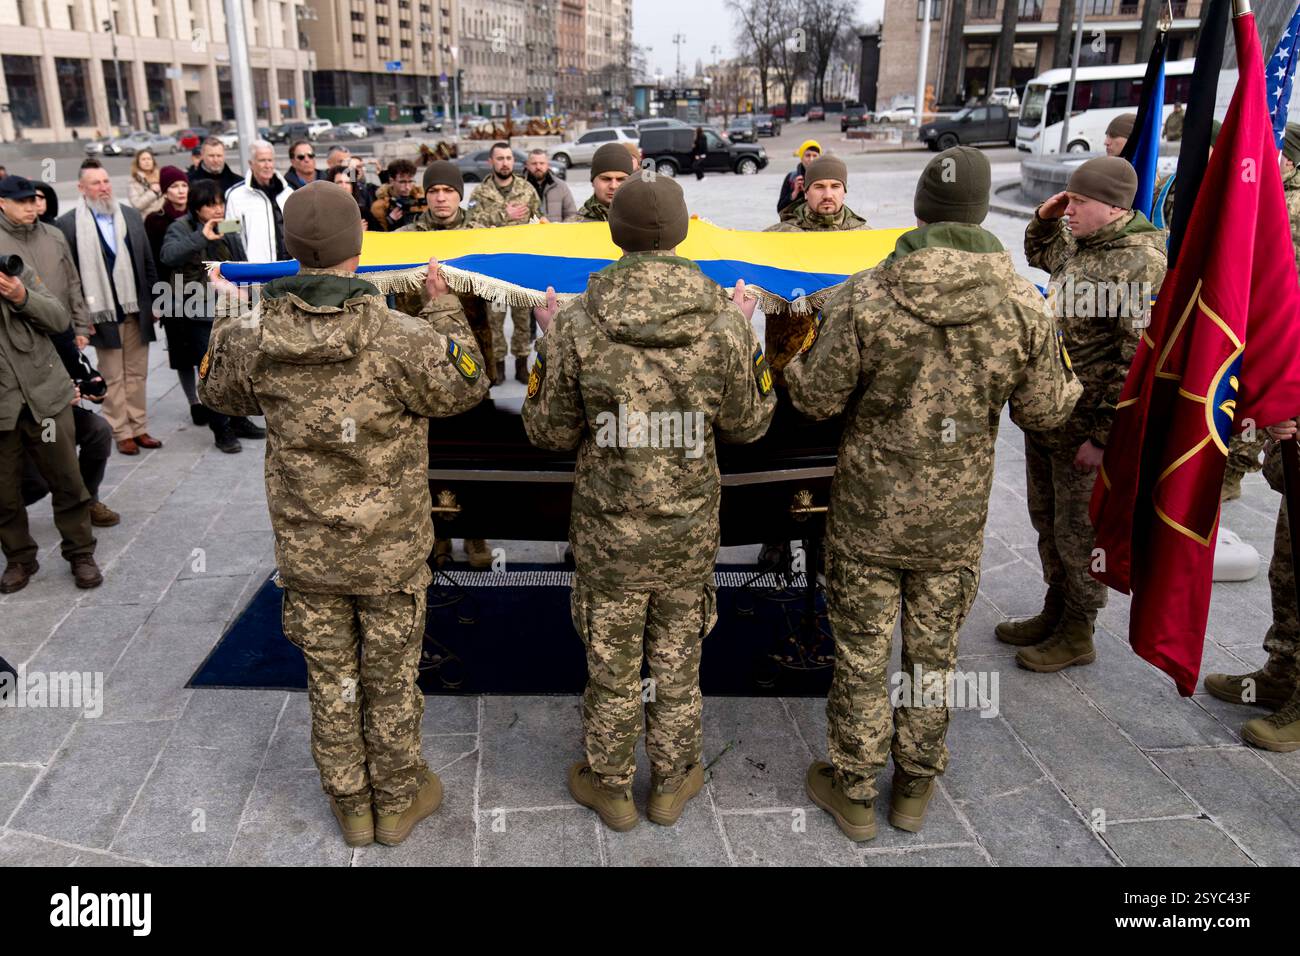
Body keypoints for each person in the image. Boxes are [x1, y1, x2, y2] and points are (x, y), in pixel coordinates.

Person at [783, 147, 1082, 840]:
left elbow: (818, 398)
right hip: (954, 519)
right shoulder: (1022, 304)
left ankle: (854, 789)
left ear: (920, 210)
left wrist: (791, 350)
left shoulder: (863, 293)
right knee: (934, 651)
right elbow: (1045, 411)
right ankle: (915, 786)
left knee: (860, 651)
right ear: (979, 213)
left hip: (867, 513)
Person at [199, 181, 490, 847]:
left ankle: (351, 806)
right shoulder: (401, 335)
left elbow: (217, 390)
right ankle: (395, 801)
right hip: (388, 551)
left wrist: (225, 316)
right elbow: (467, 383)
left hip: (306, 552)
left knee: (331, 679)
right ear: (358, 250)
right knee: (390, 679)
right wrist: (446, 312)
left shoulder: (252, 334)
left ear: (291, 250)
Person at [523, 170, 776, 831]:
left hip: (610, 534)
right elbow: (750, 425)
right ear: (685, 230)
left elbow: (547, 431)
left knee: (611, 663)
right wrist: (747, 337)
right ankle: (670, 781)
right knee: (677, 660)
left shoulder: (579, 323)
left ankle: (609, 785)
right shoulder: (723, 322)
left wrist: (548, 342)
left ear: (616, 232)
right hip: (688, 533)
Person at [1007, 156, 1167, 672]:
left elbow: (1134, 361)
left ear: (1115, 206)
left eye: (1080, 201)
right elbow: (1039, 252)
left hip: (1086, 423)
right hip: (1051, 413)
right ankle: (1055, 608)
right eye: (1069, 199)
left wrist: (1102, 437)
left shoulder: (1139, 260)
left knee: (1079, 530)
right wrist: (1048, 215)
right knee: (1047, 519)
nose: (1070, 209)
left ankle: (1079, 629)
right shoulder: (1079, 239)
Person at [0, 174, 118, 530]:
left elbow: (71, 283)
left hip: (61, 336)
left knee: (96, 431)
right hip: (20, 353)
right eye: (24, 201)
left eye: (35, 199)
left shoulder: (53, 235)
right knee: (38, 461)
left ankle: (87, 498)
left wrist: (80, 327)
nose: (34, 206)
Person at [395, 161, 496, 571]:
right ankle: (438, 532)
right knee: (427, 451)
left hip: (470, 355)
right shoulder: (404, 239)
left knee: (472, 449)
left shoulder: (480, 238)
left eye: (448, 191)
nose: (440, 198)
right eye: (433, 190)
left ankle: (475, 531)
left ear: (460, 195)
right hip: (419, 355)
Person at [0, 250, 103, 592]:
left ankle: (80, 552)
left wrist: (21, 296)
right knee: (4, 495)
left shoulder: (14, 270)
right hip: (3, 410)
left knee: (66, 480)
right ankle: (19, 558)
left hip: (45, 400)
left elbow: (58, 319)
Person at [57, 159, 163, 456]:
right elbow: (71, 278)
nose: (103, 187)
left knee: (137, 373)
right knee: (113, 375)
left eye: (105, 181)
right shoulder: (67, 225)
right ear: (82, 188)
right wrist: (81, 318)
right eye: (96, 183)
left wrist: (155, 302)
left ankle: (139, 427)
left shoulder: (129, 216)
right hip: (101, 312)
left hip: (135, 308)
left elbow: (147, 262)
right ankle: (121, 430)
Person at [160, 177, 263, 452]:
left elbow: (241, 261)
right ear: (196, 208)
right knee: (211, 370)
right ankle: (222, 430)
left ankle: (240, 419)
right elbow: (168, 256)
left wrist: (250, 296)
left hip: (232, 308)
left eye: (219, 203)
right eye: (210, 205)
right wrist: (200, 237)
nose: (217, 209)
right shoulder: (179, 228)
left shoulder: (228, 226)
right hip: (197, 313)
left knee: (237, 366)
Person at [467, 142, 543, 385]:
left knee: (522, 318)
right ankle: (498, 365)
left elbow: (537, 221)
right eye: (499, 158)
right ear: (491, 162)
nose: (505, 163)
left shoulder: (527, 189)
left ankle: (522, 364)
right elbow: (472, 225)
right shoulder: (480, 193)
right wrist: (503, 215)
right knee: (495, 319)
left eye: (509, 158)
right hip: (494, 268)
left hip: (521, 266)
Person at [224, 140, 292, 262]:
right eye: (262, 160)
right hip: (254, 270)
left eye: (270, 160)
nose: (267, 165)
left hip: (287, 268)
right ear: (251, 163)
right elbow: (229, 233)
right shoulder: (235, 195)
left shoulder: (287, 193)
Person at [575, 142, 635, 223]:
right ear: (593, 181)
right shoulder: (574, 225)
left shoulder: (646, 219)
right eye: (606, 179)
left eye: (621, 179)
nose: (613, 186)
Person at [143, 165, 190, 265]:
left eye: (184, 185)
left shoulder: (198, 213)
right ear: (165, 193)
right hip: (170, 276)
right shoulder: (154, 220)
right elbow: (152, 255)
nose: (181, 191)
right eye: (174, 186)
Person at [369, 159, 427, 232]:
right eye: (402, 182)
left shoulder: (422, 201)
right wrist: (389, 221)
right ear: (392, 181)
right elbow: (377, 235)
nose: (407, 187)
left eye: (410, 181)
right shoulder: (379, 206)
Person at [526, 148, 577, 223]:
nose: (538, 167)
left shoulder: (561, 186)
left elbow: (572, 215)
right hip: (528, 234)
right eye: (534, 163)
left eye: (542, 163)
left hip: (555, 234)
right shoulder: (520, 188)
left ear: (548, 165)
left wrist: (557, 228)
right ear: (527, 165)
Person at [778, 139, 821, 215]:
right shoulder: (791, 178)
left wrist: (809, 193)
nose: (811, 159)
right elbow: (780, 209)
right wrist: (794, 193)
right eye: (808, 155)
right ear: (801, 157)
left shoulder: (824, 178)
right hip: (794, 223)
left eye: (815, 156)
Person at [127, 148, 165, 218]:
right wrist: (153, 192)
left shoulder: (161, 176)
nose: (147, 162)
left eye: (149, 159)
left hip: (164, 217)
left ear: (153, 161)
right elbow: (136, 205)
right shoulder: (134, 182)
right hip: (146, 219)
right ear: (138, 163)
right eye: (143, 159)